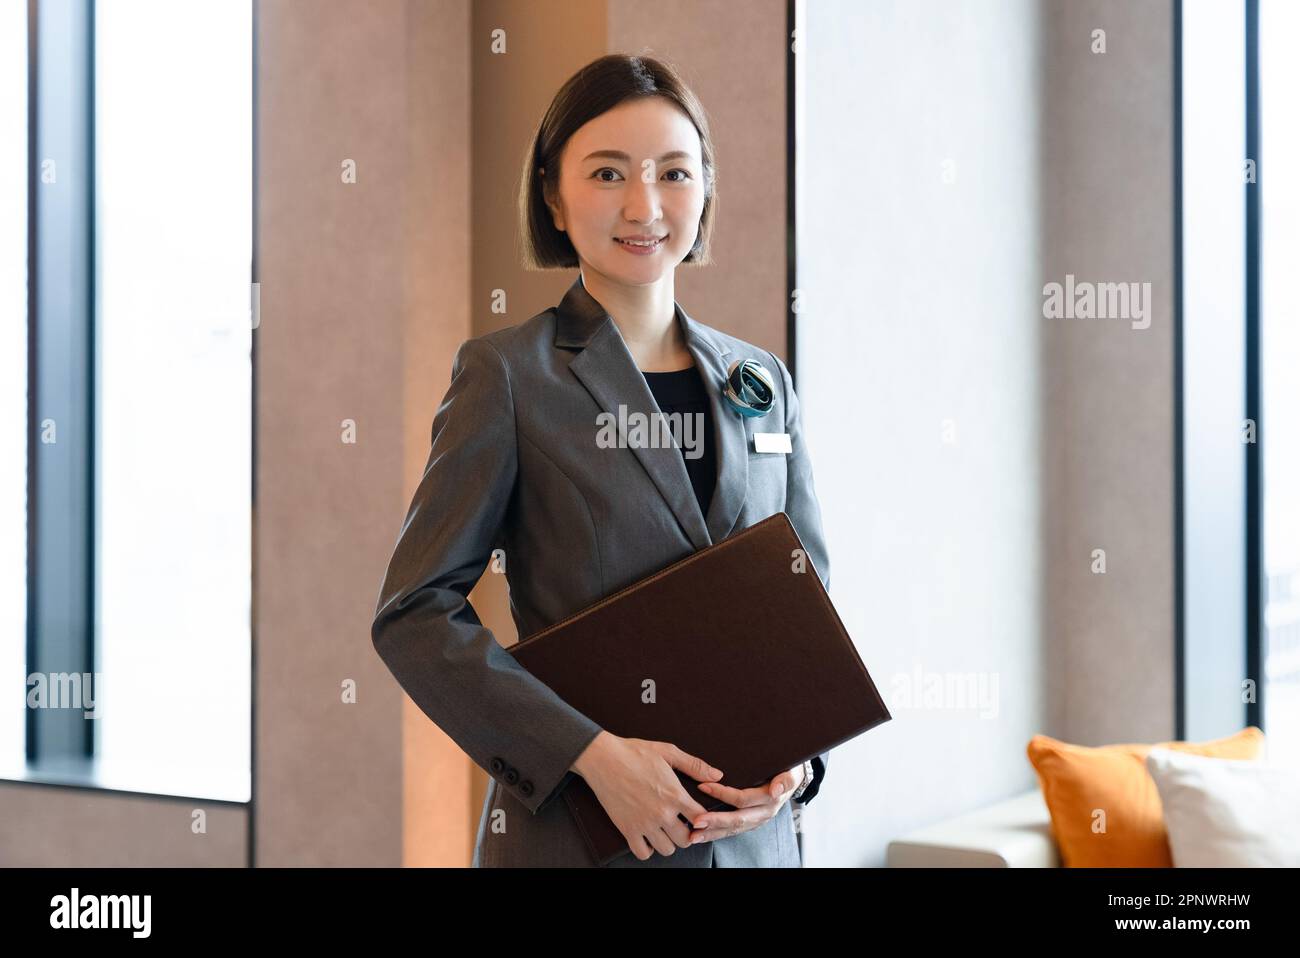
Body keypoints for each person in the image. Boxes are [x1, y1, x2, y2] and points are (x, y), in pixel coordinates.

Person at [370, 53, 832, 868]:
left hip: (753, 846)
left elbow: (808, 599)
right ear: (553, 193)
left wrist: (801, 761)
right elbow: (415, 614)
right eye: (608, 173)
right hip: (581, 840)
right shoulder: (509, 375)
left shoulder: (763, 380)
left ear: (706, 188)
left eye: (674, 173)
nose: (645, 205)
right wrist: (589, 755)